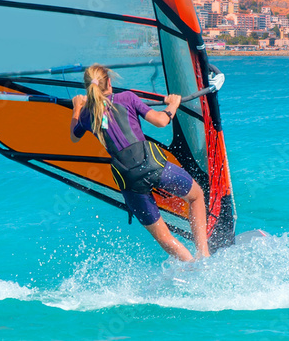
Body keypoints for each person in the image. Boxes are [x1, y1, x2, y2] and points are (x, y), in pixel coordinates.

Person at [69, 64, 210, 261]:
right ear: (109, 82)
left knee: (164, 237)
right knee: (196, 197)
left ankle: (192, 265)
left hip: (129, 180)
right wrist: (173, 104)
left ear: (88, 89)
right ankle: (203, 256)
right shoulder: (127, 97)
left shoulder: (86, 114)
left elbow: (74, 136)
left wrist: (77, 108)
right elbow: (161, 121)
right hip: (152, 165)